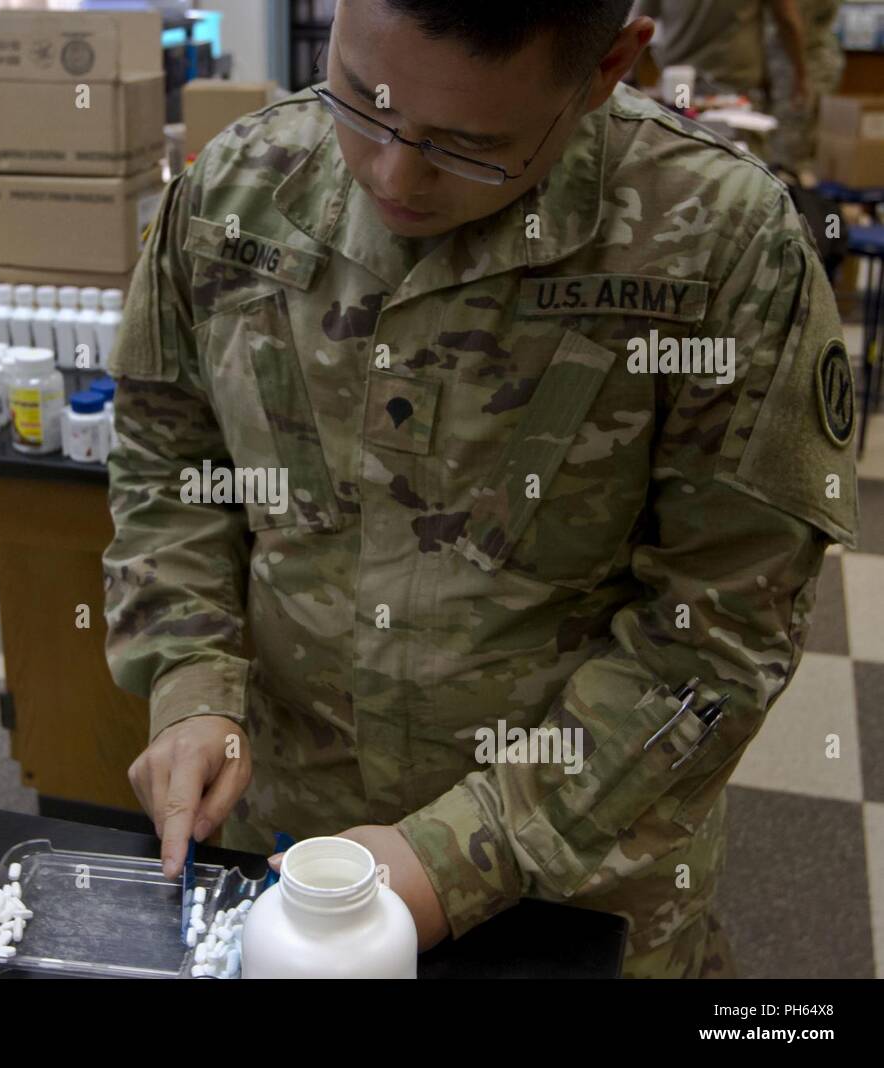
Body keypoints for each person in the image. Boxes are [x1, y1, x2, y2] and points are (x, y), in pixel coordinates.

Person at [102, 0, 858, 978]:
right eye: (360, 105)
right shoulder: (233, 193)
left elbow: (718, 635)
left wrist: (455, 859)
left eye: (469, 145)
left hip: (572, 881)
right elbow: (169, 460)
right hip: (295, 855)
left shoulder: (720, 249)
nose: (392, 175)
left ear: (608, 69)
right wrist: (191, 678)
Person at [633, 0, 807, 104]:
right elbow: (787, 21)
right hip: (732, 88)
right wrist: (801, 73)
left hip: (678, 86)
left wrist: (632, 81)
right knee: (737, 158)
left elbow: (639, 24)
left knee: (678, 150)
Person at [767, 0, 845, 174]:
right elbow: (788, 19)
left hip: (807, 61)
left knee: (801, 147)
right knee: (791, 152)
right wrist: (800, 73)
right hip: (797, 62)